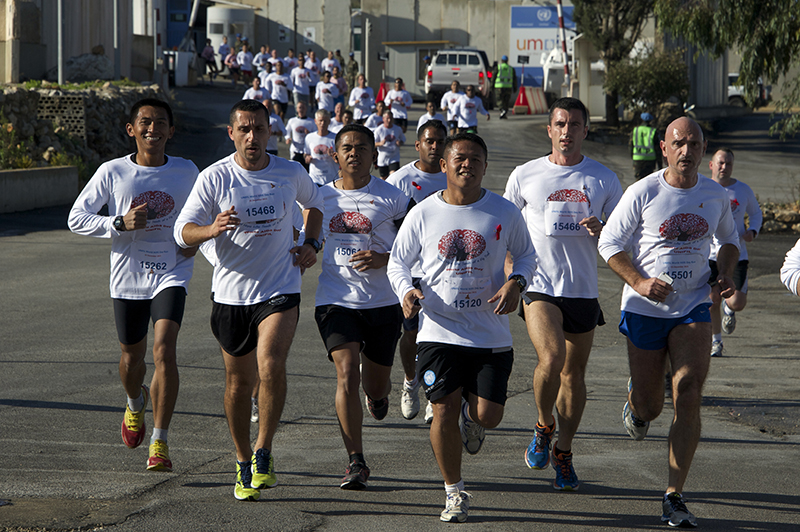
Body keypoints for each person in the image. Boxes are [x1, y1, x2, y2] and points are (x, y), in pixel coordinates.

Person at [174, 99, 324, 501]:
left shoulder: (290, 172)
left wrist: (312, 242)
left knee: (271, 365)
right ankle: (241, 460)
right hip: (230, 295)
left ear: (269, 131)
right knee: (239, 385)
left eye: (259, 128)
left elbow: (316, 204)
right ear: (232, 133)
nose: (252, 136)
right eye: (244, 129)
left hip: (279, 288)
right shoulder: (214, 178)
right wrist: (211, 229)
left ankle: (264, 450)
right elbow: (182, 231)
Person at [597, 117, 739, 528]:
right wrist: (639, 282)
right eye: (679, 143)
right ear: (664, 148)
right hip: (645, 308)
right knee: (651, 405)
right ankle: (637, 405)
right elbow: (609, 242)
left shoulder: (715, 195)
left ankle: (674, 495)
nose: (686, 151)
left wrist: (726, 272)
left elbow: (729, 240)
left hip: (694, 303)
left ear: (704, 148)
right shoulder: (643, 192)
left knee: (689, 390)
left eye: (694, 143)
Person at [387, 133, 536, 523]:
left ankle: (473, 422)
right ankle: (454, 492)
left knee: (488, 415)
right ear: (444, 165)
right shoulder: (423, 213)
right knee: (442, 409)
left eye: (475, 159)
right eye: (459, 158)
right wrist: (405, 291)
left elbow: (527, 256)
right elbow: (397, 263)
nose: (466, 164)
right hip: (439, 330)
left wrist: (515, 283)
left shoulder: (503, 212)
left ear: (486, 167)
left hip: (490, 333)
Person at [67, 98, 199, 472]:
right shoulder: (113, 171)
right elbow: (76, 218)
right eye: (145, 122)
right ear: (131, 129)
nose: (152, 129)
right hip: (128, 276)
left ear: (171, 131)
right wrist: (118, 223)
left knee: (165, 351)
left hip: (172, 272)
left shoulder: (188, 170)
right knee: (131, 359)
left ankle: (159, 441)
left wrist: (194, 240)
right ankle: (134, 400)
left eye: (160, 123)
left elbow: (207, 209)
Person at [503, 97, 623, 491]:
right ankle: (542, 426)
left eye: (574, 124)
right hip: (539, 286)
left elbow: (623, 238)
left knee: (573, 376)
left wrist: (602, 228)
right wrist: (510, 275)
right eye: (560, 124)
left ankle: (564, 452)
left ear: (586, 130)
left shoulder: (604, 179)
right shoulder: (525, 175)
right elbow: (505, 230)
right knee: (551, 359)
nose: (567, 131)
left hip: (583, 290)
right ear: (549, 129)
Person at [315, 124, 411, 490]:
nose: (354, 153)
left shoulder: (394, 198)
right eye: (347, 148)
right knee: (345, 374)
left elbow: (417, 243)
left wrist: (385, 258)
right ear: (334, 155)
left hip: (383, 303)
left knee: (374, 384)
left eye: (361, 148)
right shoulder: (319, 198)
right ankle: (356, 460)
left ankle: (379, 396)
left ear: (374, 153)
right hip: (335, 300)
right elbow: (297, 234)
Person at [386, 119, 448, 423]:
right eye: (429, 141)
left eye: (440, 142)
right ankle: (410, 382)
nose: (435, 147)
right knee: (411, 335)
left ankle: (433, 393)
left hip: (446, 272)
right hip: (412, 271)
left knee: (436, 337)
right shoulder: (400, 180)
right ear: (418, 145)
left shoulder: (454, 175)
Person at [707, 148, 762, 357]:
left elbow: (756, 214)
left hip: (736, 252)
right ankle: (716, 342)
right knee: (712, 299)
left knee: (736, 302)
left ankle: (729, 311)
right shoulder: (703, 189)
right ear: (711, 165)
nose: (724, 167)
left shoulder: (742, 190)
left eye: (728, 163)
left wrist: (752, 231)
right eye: (720, 163)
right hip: (709, 254)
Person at [304, 109, 338, 186]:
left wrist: (333, 155)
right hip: (315, 179)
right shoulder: (309, 137)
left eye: (325, 121)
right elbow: (306, 153)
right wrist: (307, 157)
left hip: (331, 179)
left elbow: (341, 160)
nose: (322, 123)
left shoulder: (335, 138)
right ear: (315, 121)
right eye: (320, 121)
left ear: (329, 122)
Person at [374, 109, 405, 179]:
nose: (389, 120)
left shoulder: (397, 129)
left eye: (390, 118)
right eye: (387, 118)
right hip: (383, 158)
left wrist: (400, 142)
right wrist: (380, 143)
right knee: (384, 178)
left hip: (394, 157)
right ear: (383, 119)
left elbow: (403, 139)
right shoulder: (379, 130)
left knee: (393, 176)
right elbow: (373, 143)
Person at [631, 112, 662, 180]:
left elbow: (631, 145)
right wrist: (660, 165)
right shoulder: (653, 131)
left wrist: (632, 156)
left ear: (641, 119)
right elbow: (658, 149)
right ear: (650, 121)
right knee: (648, 180)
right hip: (650, 160)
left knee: (638, 181)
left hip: (637, 159)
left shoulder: (636, 130)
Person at [285, 100, 315, 170]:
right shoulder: (292, 120)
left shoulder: (311, 122)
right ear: (297, 109)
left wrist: (309, 134)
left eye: (303, 108)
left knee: (306, 171)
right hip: (295, 150)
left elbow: (315, 134)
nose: (301, 110)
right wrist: (288, 138)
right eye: (300, 108)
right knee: (294, 170)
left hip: (306, 151)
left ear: (306, 109)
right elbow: (287, 131)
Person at [494, 55, 515, 119]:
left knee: (499, 99)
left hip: (499, 87)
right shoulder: (511, 68)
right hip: (508, 87)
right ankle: (504, 112)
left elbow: (493, 77)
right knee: (506, 101)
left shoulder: (498, 67)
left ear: (502, 60)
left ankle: (502, 110)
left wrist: (491, 87)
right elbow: (514, 79)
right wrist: (515, 88)